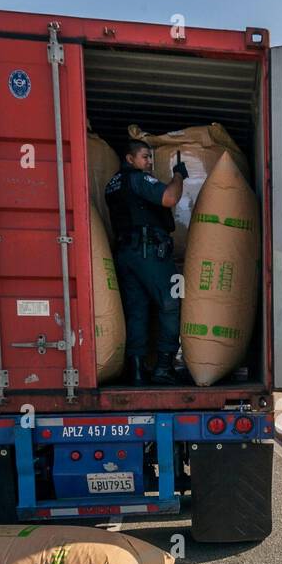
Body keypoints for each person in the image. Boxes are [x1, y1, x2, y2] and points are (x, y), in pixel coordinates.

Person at [105, 141, 187, 385]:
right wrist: (179, 175)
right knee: (171, 303)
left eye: (150, 158)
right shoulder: (138, 179)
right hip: (149, 252)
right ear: (130, 159)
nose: (149, 162)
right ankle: (164, 367)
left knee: (137, 312)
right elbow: (170, 197)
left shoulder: (112, 184)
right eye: (144, 157)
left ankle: (137, 371)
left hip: (126, 254)